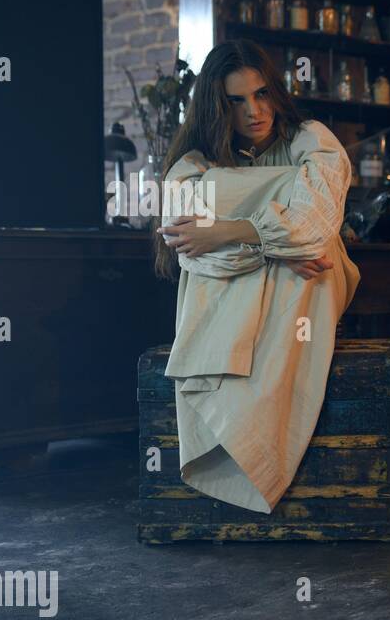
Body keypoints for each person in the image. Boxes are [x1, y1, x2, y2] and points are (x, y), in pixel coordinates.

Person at [154, 39, 361, 512]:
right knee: (230, 274)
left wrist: (229, 228)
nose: (255, 110)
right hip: (239, 289)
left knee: (313, 260)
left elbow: (314, 228)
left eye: (262, 94)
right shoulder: (193, 166)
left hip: (310, 285)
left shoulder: (310, 139)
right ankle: (236, 439)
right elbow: (202, 257)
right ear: (216, 105)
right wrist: (279, 241)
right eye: (237, 100)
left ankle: (253, 445)